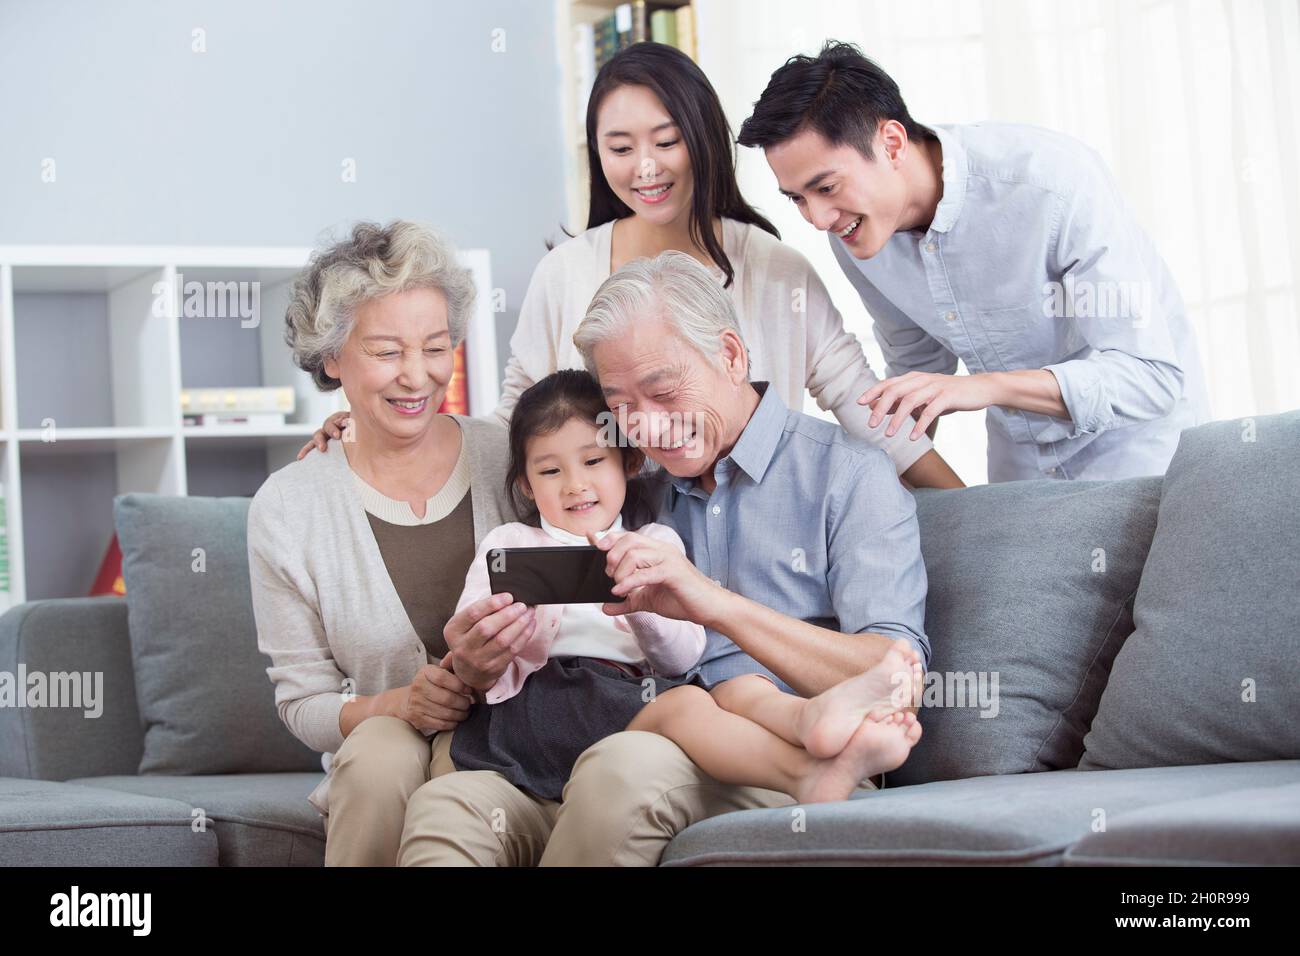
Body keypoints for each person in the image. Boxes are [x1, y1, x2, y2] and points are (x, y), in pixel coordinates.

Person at [395, 251, 931, 866]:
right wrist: (357, 436)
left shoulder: (847, 476)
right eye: (621, 405)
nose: (645, 427)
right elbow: (536, 448)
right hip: (589, 736)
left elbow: (895, 682)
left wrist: (718, 606)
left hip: (773, 756)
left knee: (622, 769)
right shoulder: (630, 486)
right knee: (447, 807)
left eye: (664, 391)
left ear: (730, 356)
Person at [299, 42, 962, 489]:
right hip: (611, 558)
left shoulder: (776, 271)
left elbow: (866, 412)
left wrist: (987, 516)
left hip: (755, 553)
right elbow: (512, 425)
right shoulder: (567, 273)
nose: (644, 168)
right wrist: (380, 437)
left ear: (701, 138)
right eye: (619, 147)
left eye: (666, 142)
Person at [446, 368, 924, 808]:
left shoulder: (655, 543)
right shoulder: (509, 544)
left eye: (593, 460)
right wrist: (491, 639)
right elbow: (464, 633)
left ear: (629, 464)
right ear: (527, 485)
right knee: (686, 704)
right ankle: (802, 773)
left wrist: (638, 607)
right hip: (541, 702)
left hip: (631, 694)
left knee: (723, 690)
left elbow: (680, 658)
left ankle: (811, 719)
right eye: (550, 471)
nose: (575, 485)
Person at [738, 41, 1210, 481]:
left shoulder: (1053, 185)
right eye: (796, 198)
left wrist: (985, 387)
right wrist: (869, 489)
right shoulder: (855, 232)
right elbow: (917, 366)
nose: (818, 219)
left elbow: (1151, 377)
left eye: (826, 187)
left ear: (893, 143)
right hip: (1021, 464)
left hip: (1140, 453)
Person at [247, 219, 540, 866]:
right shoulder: (289, 507)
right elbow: (303, 703)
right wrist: (399, 702)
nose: (417, 376)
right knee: (379, 754)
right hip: (388, 743)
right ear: (331, 357)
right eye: (386, 352)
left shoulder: (507, 456)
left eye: (436, 348)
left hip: (523, 733)